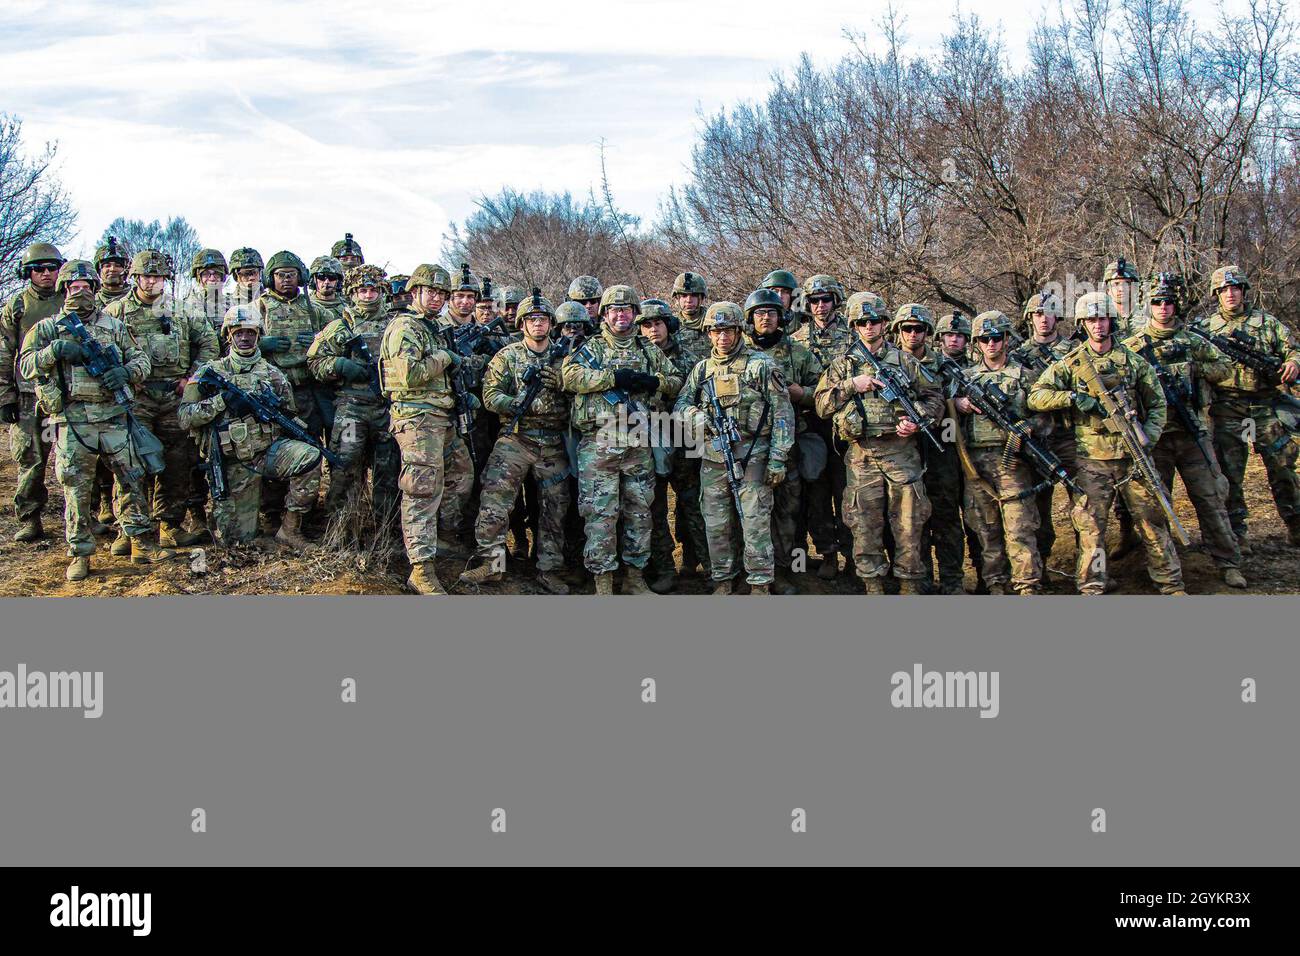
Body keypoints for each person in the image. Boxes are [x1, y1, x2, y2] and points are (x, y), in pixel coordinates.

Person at [19, 260, 176, 580]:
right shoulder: (48, 329)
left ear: (94, 288)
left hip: (114, 415)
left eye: (86, 287)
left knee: (132, 478)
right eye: (73, 287)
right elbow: (25, 366)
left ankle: (139, 541)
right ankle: (80, 552)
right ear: (64, 290)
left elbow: (141, 361)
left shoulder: (114, 325)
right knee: (76, 487)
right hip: (73, 420)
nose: (80, 292)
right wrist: (55, 352)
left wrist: (126, 372)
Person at [1028, 292, 1186, 595]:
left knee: (1153, 523)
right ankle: (1092, 585)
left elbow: (1157, 405)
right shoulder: (1072, 364)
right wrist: (1073, 397)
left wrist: (1150, 437)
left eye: (1101, 318)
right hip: (1091, 461)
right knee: (1091, 530)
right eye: (1090, 320)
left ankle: (1171, 583)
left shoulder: (1133, 361)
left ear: (1110, 321)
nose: (1097, 325)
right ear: (1082, 324)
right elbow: (1037, 396)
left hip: (1133, 456)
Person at [813, 293, 943, 594]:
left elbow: (934, 397)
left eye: (874, 321)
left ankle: (909, 585)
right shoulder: (843, 365)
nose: (869, 326)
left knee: (909, 525)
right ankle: (873, 585)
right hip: (862, 455)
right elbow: (821, 404)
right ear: (854, 326)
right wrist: (850, 385)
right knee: (863, 525)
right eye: (862, 322)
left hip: (902, 453)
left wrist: (917, 420)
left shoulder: (905, 360)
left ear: (885, 324)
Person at [1122, 273, 1244, 587]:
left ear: (1175, 306)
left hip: (1192, 434)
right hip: (1155, 438)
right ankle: (1165, 570)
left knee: (1210, 499)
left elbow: (1225, 369)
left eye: (1168, 302)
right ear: (1148, 307)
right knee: (1156, 506)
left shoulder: (1192, 341)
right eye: (1157, 303)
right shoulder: (1133, 347)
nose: (1163, 308)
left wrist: (1195, 369)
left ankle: (1229, 562)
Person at [561, 284, 681, 594]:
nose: (620, 314)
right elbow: (570, 377)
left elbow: (677, 381)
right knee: (601, 514)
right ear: (604, 314)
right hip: (600, 443)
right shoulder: (592, 348)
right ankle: (603, 582)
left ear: (635, 313)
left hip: (639, 441)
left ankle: (634, 579)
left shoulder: (647, 349)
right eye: (614, 309)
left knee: (639, 513)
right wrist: (613, 378)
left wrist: (654, 381)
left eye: (626, 309)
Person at [179, 305, 324, 550]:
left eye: (250, 333)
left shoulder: (273, 374)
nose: (244, 338)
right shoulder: (209, 372)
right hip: (232, 462)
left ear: (259, 335)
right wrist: (221, 401)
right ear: (229, 336)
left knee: (309, 456)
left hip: (267, 453)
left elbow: (288, 415)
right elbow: (184, 417)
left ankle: (289, 530)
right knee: (235, 542)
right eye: (238, 333)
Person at [675, 302, 794, 595]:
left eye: (728, 330)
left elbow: (783, 413)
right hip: (713, 458)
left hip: (753, 456)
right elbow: (680, 405)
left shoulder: (760, 365)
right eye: (716, 331)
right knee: (716, 524)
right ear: (708, 334)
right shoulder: (702, 369)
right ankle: (724, 580)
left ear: (739, 331)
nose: (722, 337)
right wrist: (697, 417)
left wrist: (778, 459)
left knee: (754, 523)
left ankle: (760, 584)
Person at [103, 249, 219, 550]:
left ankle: (170, 524)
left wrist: (190, 378)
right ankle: (129, 530)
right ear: (135, 277)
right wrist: (127, 377)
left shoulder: (182, 310)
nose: (152, 282)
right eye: (146, 276)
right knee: (130, 462)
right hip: (134, 399)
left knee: (176, 461)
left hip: (173, 396)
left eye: (157, 276)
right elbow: (103, 349)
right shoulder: (116, 312)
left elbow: (209, 343)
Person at [459, 290, 572, 594]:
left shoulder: (565, 358)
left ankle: (549, 568)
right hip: (516, 438)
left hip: (553, 441)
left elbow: (580, 392)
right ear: (522, 324)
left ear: (551, 323)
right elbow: (490, 396)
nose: (538, 324)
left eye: (543, 319)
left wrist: (561, 383)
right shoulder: (507, 356)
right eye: (532, 319)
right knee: (495, 500)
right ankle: (492, 565)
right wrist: (516, 402)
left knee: (555, 508)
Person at [377, 264, 474, 594]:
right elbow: (409, 374)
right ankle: (420, 569)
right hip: (417, 419)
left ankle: (441, 540)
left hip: (440, 417)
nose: (436, 298)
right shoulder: (405, 327)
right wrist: (445, 358)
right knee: (421, 489)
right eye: (430, 292)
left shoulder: (432, 327)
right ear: (415, 292)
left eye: (441, 294)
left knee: (462, 474)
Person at [1200, 265, 1300, 552]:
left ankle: (1295, 523)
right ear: (1216, 294)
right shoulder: (1206, 329)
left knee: (1283, 467)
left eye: (1235, 288)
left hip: (1265, 405)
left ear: (1244, 291)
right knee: (1230, 473)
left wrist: (1292, 364)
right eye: (1224, 290)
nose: (1230, 294)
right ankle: (1237, 532)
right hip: (1228, 407)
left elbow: (1293, 349)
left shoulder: (1267, 323)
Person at [952, 312, 1043, 594]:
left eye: (995, 338)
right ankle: (996, 586)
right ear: (976, 343)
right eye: (984, 339)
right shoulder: (965, 378)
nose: (990, 345)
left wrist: (1028, 428)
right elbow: (939, 410)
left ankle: (1027, 586)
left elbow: (1046, 416)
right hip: (976, 464)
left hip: (1013, 462)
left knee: (1020, 530)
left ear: (1005, 339)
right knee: (986, 530)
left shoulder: (1025, 375)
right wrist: (957, 403)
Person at [307, 264, 399, 536]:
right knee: (345, 468)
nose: (368, 296)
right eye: (362, 290)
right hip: (351, 409)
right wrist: (340, 365)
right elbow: (314, 362)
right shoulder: (340, 326)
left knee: (388, 472)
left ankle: (387, 532)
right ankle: (340, 530)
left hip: (387, 409)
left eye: (373, 290)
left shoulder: (395, 326)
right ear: (352, 293)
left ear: (382, 292)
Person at [743, 287, 822, 594]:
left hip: (788, 444)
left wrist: (801, 393)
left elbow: (824, 392)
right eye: (760, 313)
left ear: (782, 317)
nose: (765, 319)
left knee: (787, 510)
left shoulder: (798, 352)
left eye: (772, 313)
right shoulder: (739, 351)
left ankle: (783, 569)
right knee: (748, 512)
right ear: (750, 319)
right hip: (747, 446)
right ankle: (748, 572)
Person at [792, 276, 858, 580]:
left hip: (848, 427)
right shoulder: (797, 339)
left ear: (836, 300)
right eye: (814, 301)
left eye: (825, 299)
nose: (820, 306)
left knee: (848, 495)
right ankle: (827, 553)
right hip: (812, 426)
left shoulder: (854, 335)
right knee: (816, 495)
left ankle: (853, 557)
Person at [0, 241, 66, 542]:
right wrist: (6, 397)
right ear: (28, 272)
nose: (46, 274)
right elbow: (4, 353)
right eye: (39, 269)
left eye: (52, 268)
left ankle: (83, 518)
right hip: (28, 396)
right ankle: (30, 518)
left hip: (65, 394)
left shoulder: (69, 300)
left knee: (73, 458)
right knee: (30, 459)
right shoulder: (17, 306)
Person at [637, 298, 702, 593]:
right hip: (647, 438)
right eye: (647, 325)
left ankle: (706, 565)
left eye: (658, 323)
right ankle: (664, 568)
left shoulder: (689, 358)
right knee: (654, 507)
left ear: (669, 325)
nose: (653, 330)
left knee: (694, 503)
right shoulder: (636, 357)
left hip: (685, 438)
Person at [1012, 291, 1079, 562]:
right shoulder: (1018, 355)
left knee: (1082, 501)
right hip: (1035, 438)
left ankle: (1086, 562)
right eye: (1037, 314)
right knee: (1037, 506)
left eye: (1048, 313)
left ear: (1057, 317)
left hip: (1069, 435)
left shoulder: (1074, 351)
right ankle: (1041, 567)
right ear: (1030, 318)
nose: (1043, 319)